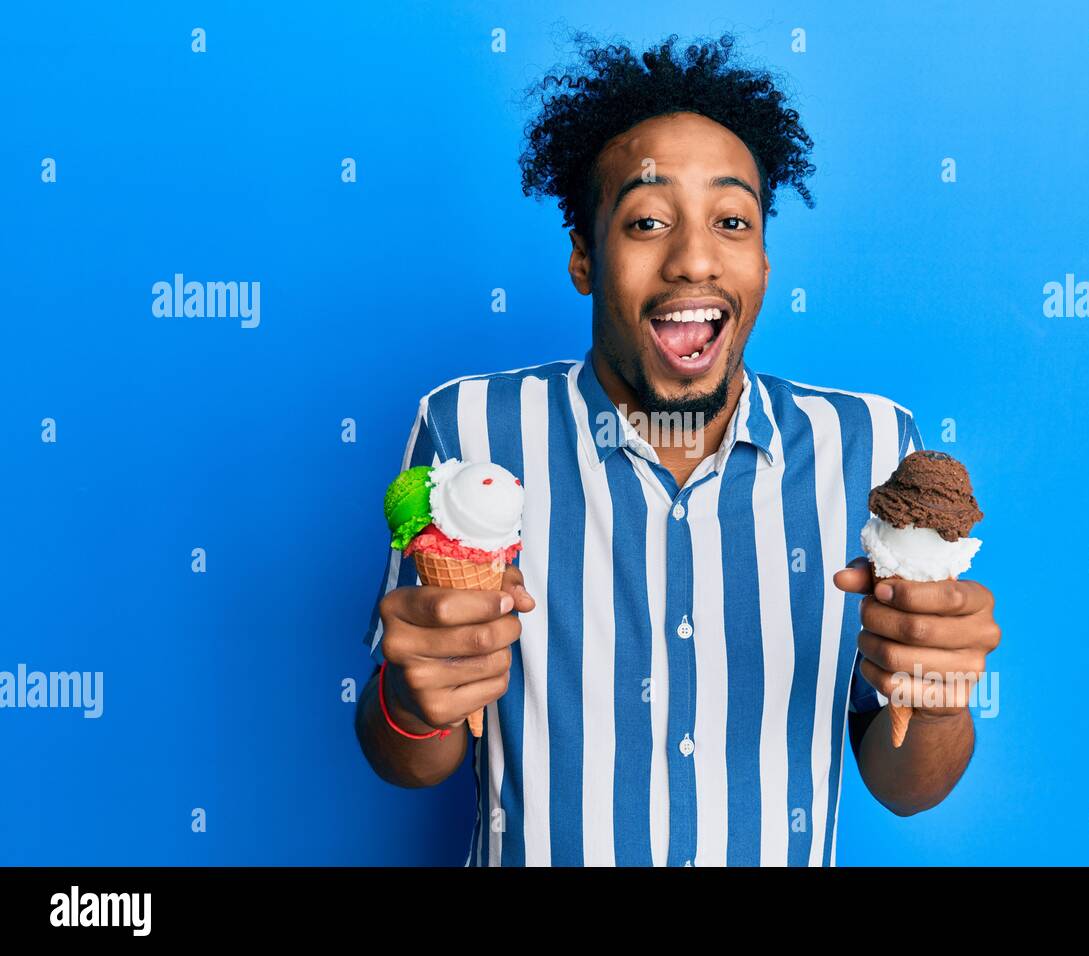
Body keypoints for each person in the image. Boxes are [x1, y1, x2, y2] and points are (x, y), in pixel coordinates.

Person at [355, 32, 1001, 866]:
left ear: (764, 260)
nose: (695, 257)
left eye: (732, 221)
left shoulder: (872, 448)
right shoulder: (469, 429)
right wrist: (414, 702)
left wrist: (940, 694)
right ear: (584, 256)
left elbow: (906, 784)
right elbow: (402, 757)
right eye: (647, 221)